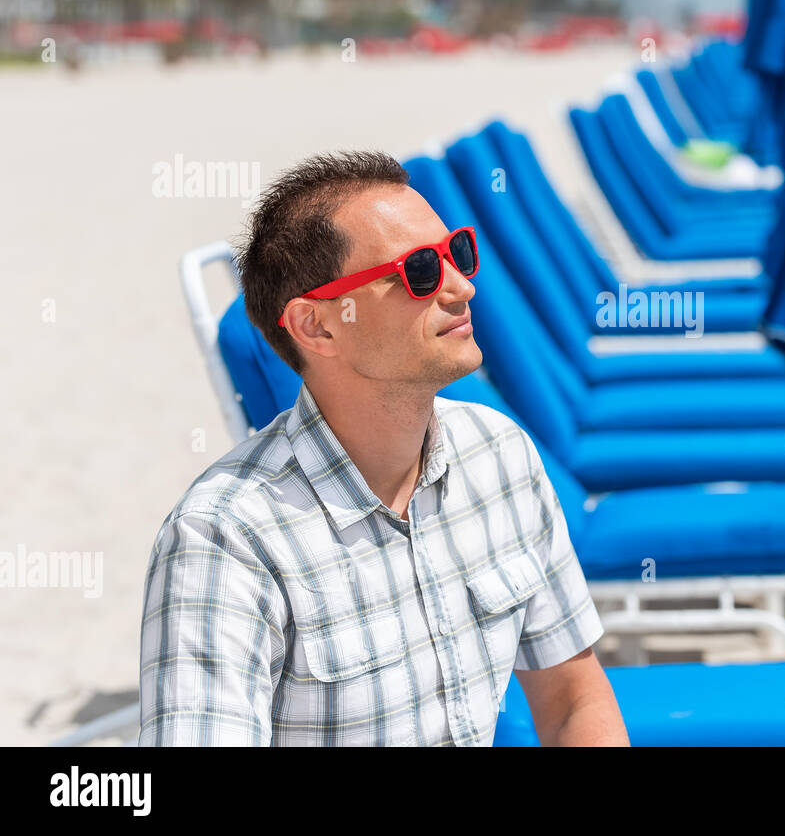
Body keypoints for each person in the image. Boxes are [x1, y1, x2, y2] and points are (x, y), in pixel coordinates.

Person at [139, 151, 627, 746]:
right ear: (317, 325)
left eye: (459, 252)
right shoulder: (225, 541)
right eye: (420, 270)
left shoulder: (500, 455)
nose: (461, 285)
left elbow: (573, 697)